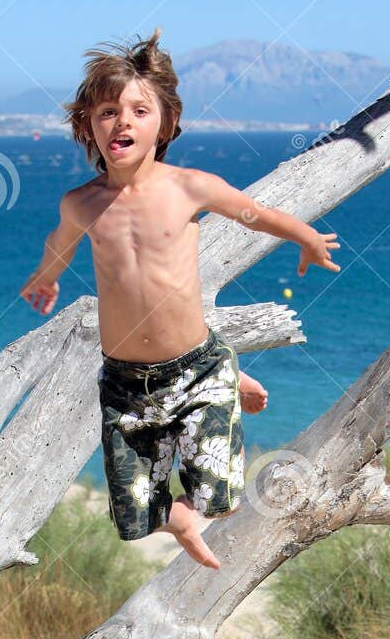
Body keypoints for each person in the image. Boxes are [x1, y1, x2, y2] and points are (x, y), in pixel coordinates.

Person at [20, 29, 341, 568]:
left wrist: (306, 238)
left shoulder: (187, 187)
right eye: (106, 112)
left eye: (139, 111)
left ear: (165, 123)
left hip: (196, 365)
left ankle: (227, 379)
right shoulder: (82, 203)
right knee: (135, 517)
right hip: (126, 383)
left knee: (221, 495)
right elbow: (60, 243)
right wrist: (46, 278)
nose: (122, 122)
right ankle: (179, 514)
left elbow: (254, 213)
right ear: (87, 126)